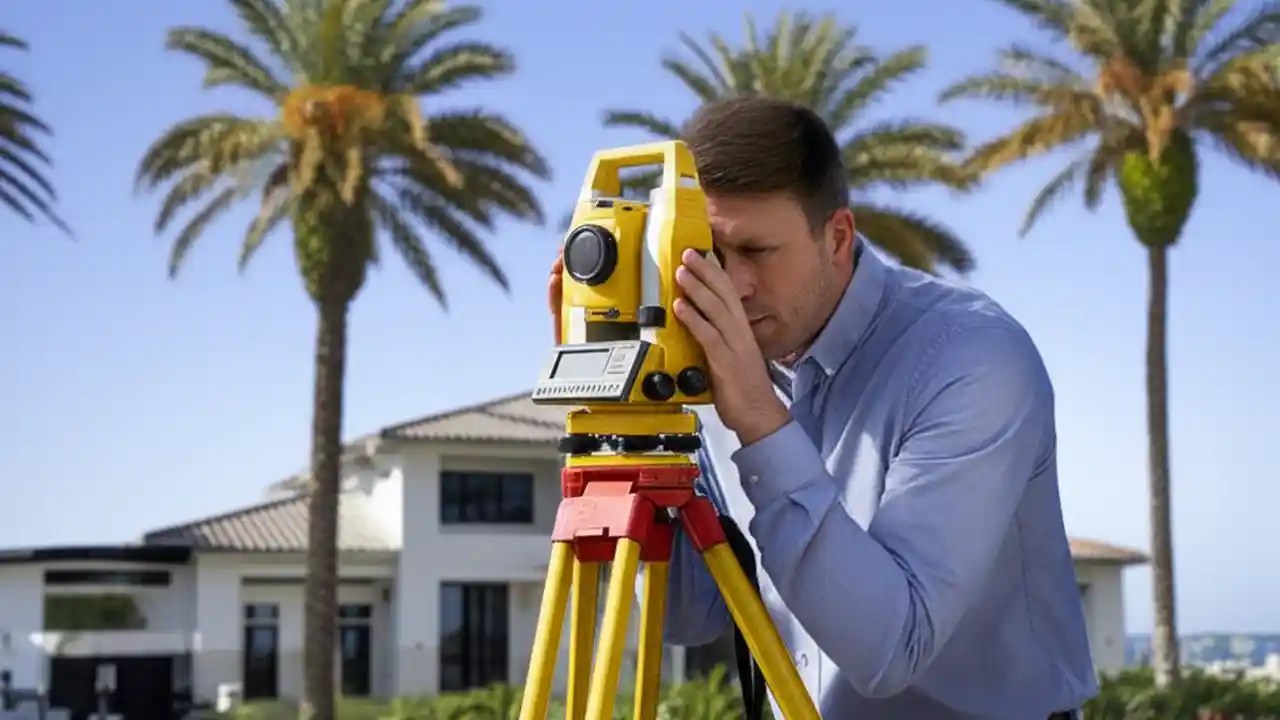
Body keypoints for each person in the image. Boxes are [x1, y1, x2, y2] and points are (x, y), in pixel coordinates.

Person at [547, 96, 1098, 719]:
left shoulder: (972, 358)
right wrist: (617, 421)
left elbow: (892, 649)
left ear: (837, 238)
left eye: (757, 251)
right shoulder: (697, 360)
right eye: (709, 253)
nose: (734, 285)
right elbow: (688, 612)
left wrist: (761, 425)